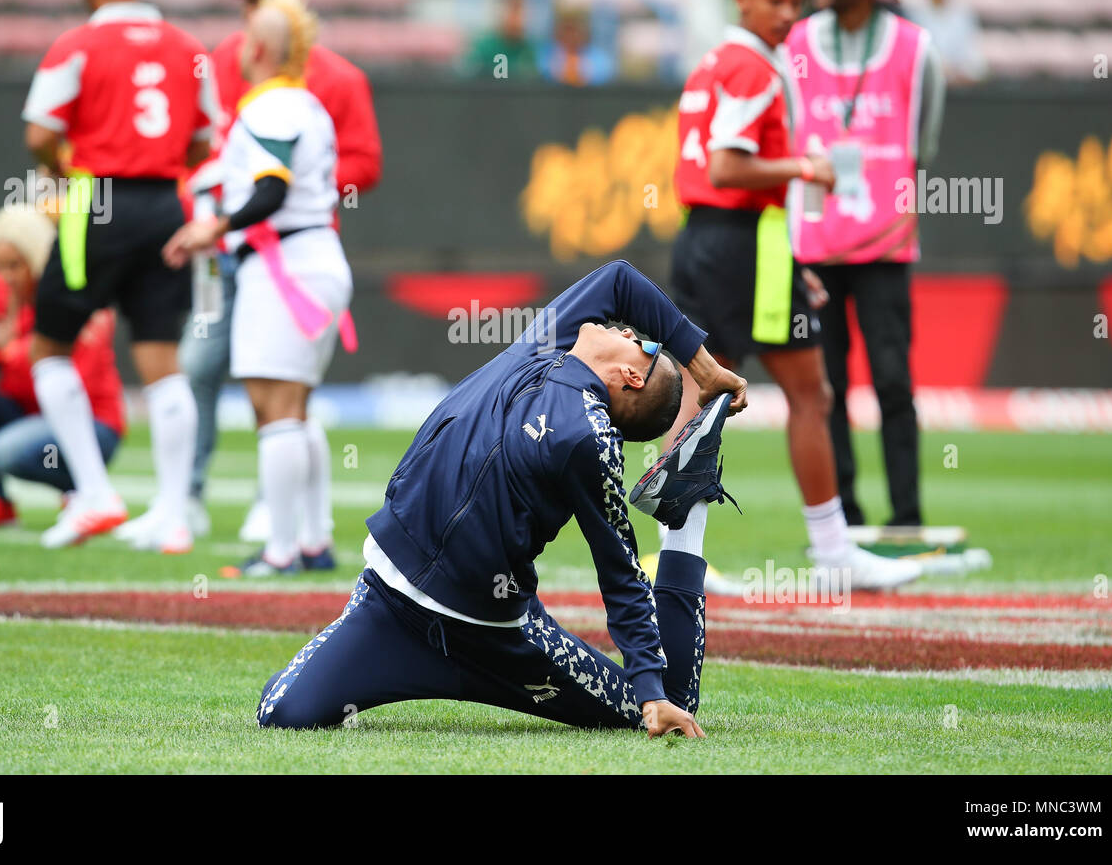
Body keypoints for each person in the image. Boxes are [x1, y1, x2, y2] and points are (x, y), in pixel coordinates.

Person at [254, 259, 747, 734]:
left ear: (630, 377)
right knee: (280, 711)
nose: (626, 329)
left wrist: (650, 689)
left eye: (640, 342)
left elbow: (619, 572)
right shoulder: (551, 340)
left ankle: (685, 517)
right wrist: (702, 368)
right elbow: (620, 281)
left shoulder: (589, 437)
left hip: (495, 633)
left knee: (669, 703)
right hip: (390, 599)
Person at [668, 0, 919, 589]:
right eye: (774, 0)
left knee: (713, 395)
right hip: (742, 243)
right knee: (781, 395)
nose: (787, 14)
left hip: (728, 242)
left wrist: (789, 258)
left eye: (795, 3)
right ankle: (828, 551)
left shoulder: (716, 61)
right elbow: (727, 165)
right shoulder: (753, 67)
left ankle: (681, 558)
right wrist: (804, 167)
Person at [151, 0, 381, 552]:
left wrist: (214, 223)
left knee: (273, 406)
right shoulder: (302, 100)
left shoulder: (275, 103)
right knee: (292, 405)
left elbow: (271, 188)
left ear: (263, 45)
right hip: (304, 256)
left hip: (282, 261)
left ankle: (280, 549)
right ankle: (310, 540)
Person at [22, 0, 220, 552]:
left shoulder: (76, 43)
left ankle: (94, 493)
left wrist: (68, 169)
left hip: (95, 201)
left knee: (49, 347)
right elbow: (203, 139)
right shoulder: (189, 46)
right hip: (166, 204)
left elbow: (38, 133)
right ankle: (174, 512)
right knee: (162, 362)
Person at [785, 0, 946, 530]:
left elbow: (922, 143)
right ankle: (842, 521)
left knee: (893, 382)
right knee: (824, 386)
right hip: (815, 243)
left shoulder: (915, 46)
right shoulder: (796, 42)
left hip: (885, 242)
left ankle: (906, 517)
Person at [0, 205, 125, 530]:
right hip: (22, 413)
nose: (7, 276)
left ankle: (83, 489)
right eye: (0, 266)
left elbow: (77, 377)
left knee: (6, 450)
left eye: (16, 265)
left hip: (90, 422)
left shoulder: (71, 290)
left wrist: (11, 352)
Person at [906, 0, 987, 85]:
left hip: (958, 78)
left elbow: (971, 51)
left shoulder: (963, 14)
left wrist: (961, 72)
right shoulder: (915, 13)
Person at [463, 0, 539, 80]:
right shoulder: (484, 48)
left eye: (525, 10)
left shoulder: (529, 49)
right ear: (502, 11)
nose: (521, 17)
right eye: (515, 9)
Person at [540, 8, 615, 86]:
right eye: (567, 31)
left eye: (574, 32)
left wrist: (580, 69)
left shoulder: (600, 58)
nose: (570, 37)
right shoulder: (547, 54)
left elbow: (603, 74)